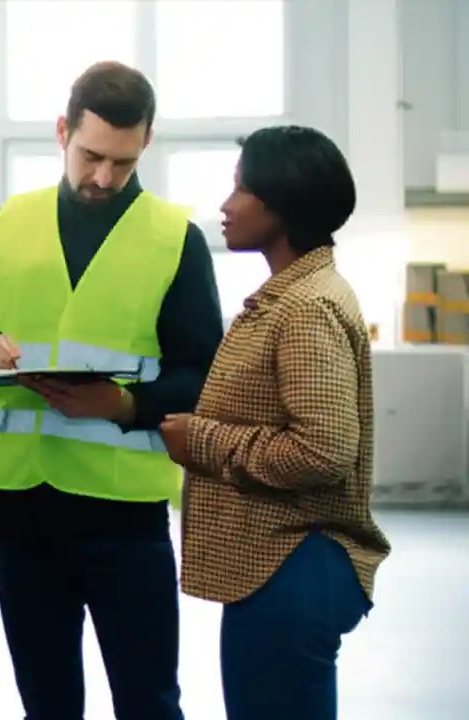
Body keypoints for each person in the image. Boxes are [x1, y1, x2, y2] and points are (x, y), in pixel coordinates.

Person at [0, 60, 222, 720]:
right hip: (18, 513)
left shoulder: (175, 238)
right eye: (91, 155)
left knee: (148, 701)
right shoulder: (9, 224)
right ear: (62, 131)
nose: (103, 177)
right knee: (47, 703)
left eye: (121, 163)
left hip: (123, 517)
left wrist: (125, 405)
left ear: (146, 143)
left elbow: (203, 374)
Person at [159, 125, 392, 720]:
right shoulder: (295, 295)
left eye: (240, 189)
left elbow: (322, 450)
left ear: (280, 206)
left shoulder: (305, 308)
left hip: (293, 567)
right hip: (280, 569)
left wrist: (201, 440)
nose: (225, 205)